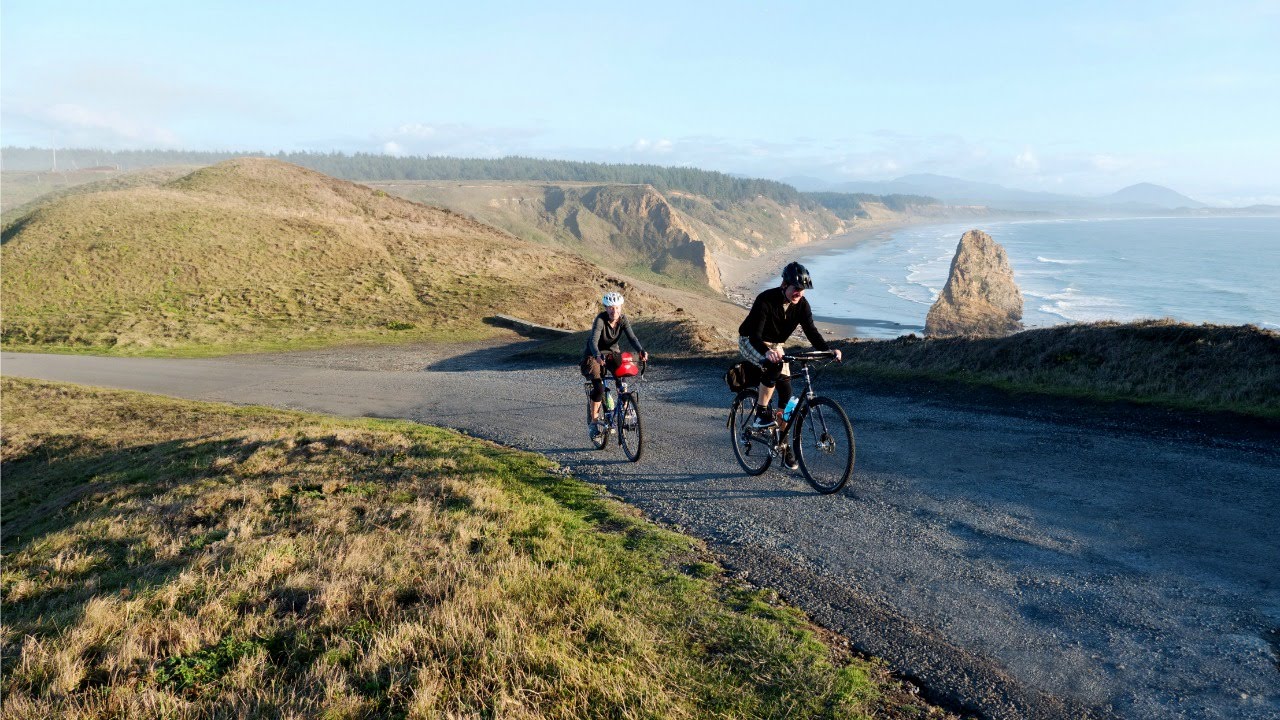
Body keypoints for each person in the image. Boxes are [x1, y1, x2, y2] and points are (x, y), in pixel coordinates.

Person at [738, 261, 842, 469]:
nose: (799, 294)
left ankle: (782, 443)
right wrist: (767, 352)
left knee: (786, 390)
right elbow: (756, 336)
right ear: (784, 285)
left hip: (776, 345)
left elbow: (811, 332)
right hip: (751, 340)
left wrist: (828, 350)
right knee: (773, 366)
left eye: (802, 290)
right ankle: (760, 414)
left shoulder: (802, 305)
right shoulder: (765, 300)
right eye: (796, 289)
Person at [581, 292, 649, 437]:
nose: (614, 311)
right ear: (606, 308)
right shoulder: (600, 319)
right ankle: (593, 423)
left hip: (612, 354)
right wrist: (597, 355)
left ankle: (625, 413)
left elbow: (632, 337)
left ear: (621, 308)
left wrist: (641, 350)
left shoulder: (623, 319)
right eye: (611, 308)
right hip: (594, 354)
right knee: (599, 388)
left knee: (622, 380)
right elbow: (593, 341)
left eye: (617, 308)